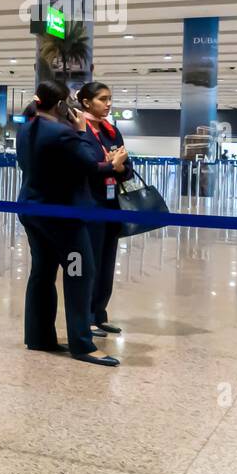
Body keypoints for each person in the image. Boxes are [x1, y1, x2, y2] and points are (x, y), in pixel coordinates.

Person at [16, 81, 128, 366]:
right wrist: (104, 156)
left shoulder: (25, 129)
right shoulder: (64, 134)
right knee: (80, 273)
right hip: (63, 217)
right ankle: (82, 343)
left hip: (33, 210)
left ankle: (38, 336)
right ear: (62, 104)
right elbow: (90, 164)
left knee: (41, 273)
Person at [76, 82, 132, 337]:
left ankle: (99, 313)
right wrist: (110, 165)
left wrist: (117, 167)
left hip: (112, 203)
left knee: (108, 260)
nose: (108, 104)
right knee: (91, 262)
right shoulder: (78, 130)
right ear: (86, 102)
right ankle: (84, 316)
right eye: (102, 99)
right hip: (89, 203)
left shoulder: (112, 132)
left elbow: (126, 167)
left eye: (110, 98)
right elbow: (84, 166)